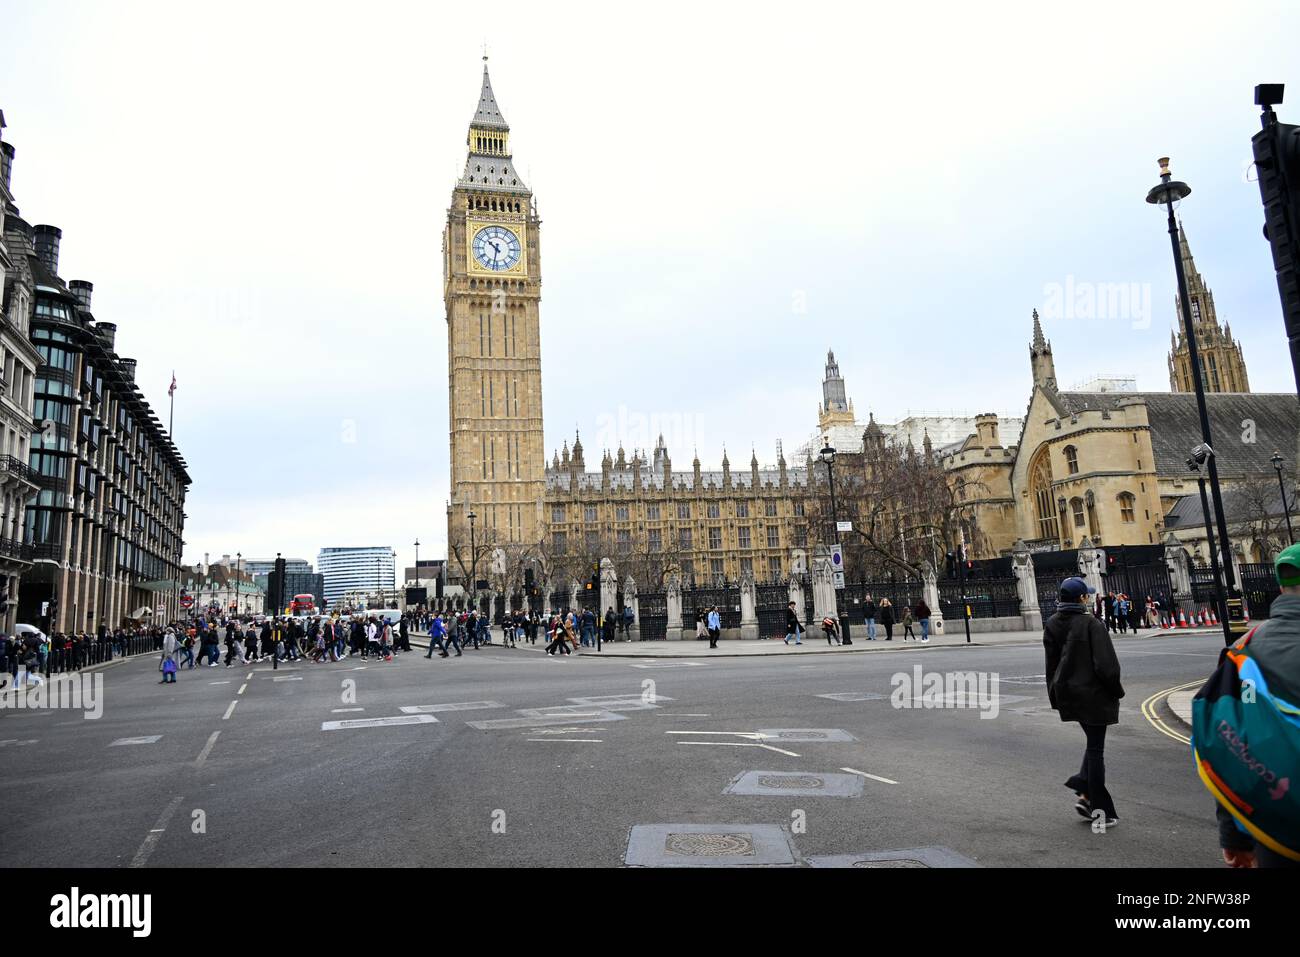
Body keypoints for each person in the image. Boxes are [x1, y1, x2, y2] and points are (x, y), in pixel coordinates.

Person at [1195, 543, 1300, 868]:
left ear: (1281, 585)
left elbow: (1228, 741)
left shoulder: (1243, 648)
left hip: (1276, 826)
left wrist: (1234, 836)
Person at [1044, 576, 1124, 829]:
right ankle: (1098, 808)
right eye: (1086, 595)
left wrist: (1054, 693)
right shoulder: (1092, 624)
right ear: (1081, 599)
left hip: (1068, 693)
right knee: (1096, 751)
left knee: (1093, 745)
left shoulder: (1052, 623)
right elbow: (1107, 666)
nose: (1088, 598)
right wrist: (1117, 691)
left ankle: (1083, 789)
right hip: (1094, 695)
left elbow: (1051, 665)